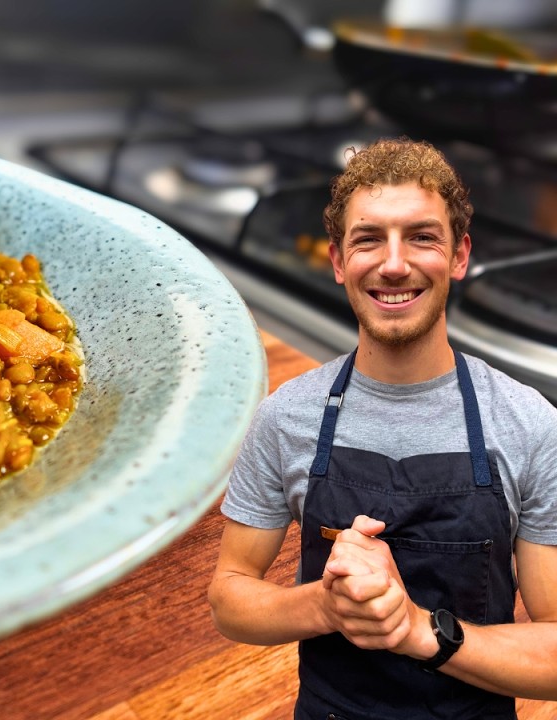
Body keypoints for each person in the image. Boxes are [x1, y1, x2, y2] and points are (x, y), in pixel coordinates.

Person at [208, 137, 557, 719]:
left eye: (422, 236)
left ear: (459, 255)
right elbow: (229, 596)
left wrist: (418, 629)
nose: (394, 263)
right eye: (368, 239)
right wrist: (326, 605)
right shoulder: (287, 415)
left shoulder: (530, 425)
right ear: (339, 261)